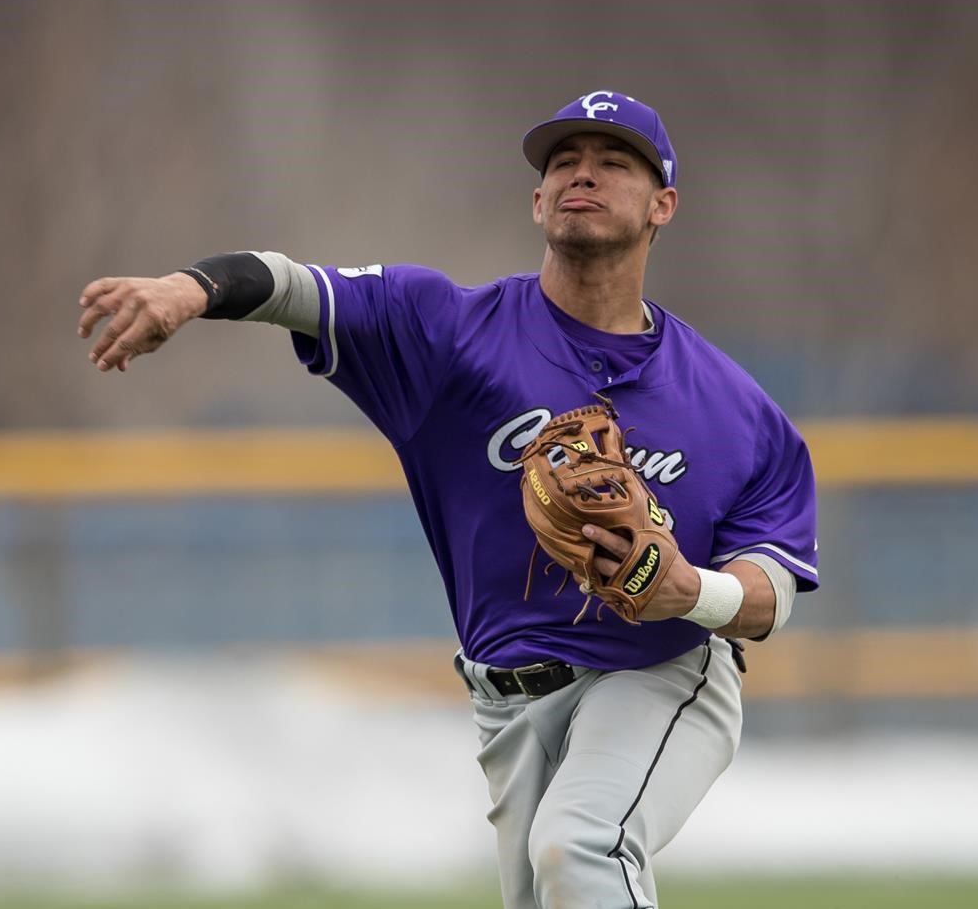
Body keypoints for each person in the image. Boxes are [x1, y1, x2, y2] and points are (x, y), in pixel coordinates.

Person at [74, 90, 819, 909]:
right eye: (563, 162)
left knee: (582, 847)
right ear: (537, 201)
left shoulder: (736, 409)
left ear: (662, 204)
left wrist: (692, 592)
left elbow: (771, 592)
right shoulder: (448, 332)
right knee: (554, 881)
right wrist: (188, 290)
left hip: (661, 670)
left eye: (614, 162)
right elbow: (294, 286)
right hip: (507, 697)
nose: (583, 174)